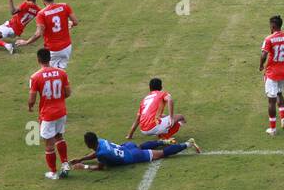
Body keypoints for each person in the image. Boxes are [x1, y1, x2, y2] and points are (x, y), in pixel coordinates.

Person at [28, 47, 71, 179]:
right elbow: (68, 93)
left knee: (48, 144)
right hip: (61, 111)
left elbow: (32, 98)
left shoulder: (35, 77)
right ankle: (65, 163)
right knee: (59, 136)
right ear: (50, 58)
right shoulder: (61, 73)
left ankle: (53, 172)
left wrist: (30, 106)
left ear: (38, 59)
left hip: (47, 114)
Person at [70, 131, 199, 170]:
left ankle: (188, 144)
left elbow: (100, 167)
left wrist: (84, 166)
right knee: (141, 145)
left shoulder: (103, 154)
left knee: (161, 154)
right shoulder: (102, 141)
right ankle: (163, 141)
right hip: (128, 147)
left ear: (88, 143)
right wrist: (81, 158)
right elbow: (96, 153)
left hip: (133, 156)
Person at [16, 0, 77, 68]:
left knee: (50, 74)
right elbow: (75, 22)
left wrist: (26, 42)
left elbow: (38, 34)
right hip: (67, 47)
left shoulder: (42, 14)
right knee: (60, 72)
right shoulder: (65, 6)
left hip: (53, 49)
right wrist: (70, 24)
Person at [125, 77, 188, 143]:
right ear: (161, 87)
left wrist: (130, 135)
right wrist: (171, 118)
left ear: (150, 88)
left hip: (143, 129)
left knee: (163, 116)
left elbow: (137, 119)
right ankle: (164, 137)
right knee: (180, 117)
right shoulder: (162, 94)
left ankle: (162, 132)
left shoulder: (144, 99)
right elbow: (170, 100)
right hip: (154, 126)